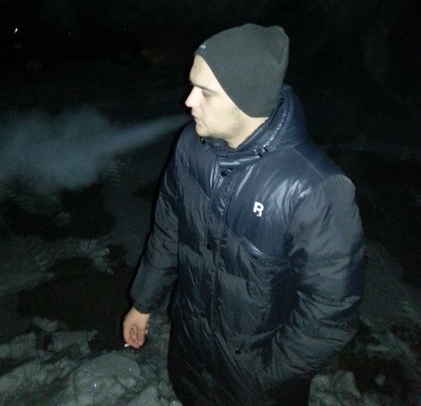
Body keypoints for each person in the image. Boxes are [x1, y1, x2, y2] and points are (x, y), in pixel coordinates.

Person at [123, 24, 365, 406]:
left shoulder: (313, 189)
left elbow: (330, 310)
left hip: (257, 388)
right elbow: (168, 230)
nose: (189, 101)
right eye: (192, 86)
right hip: (191, 358)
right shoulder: (190, 147)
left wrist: (267, 376)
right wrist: (142, 303)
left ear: (246, 100)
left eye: (205, 92)